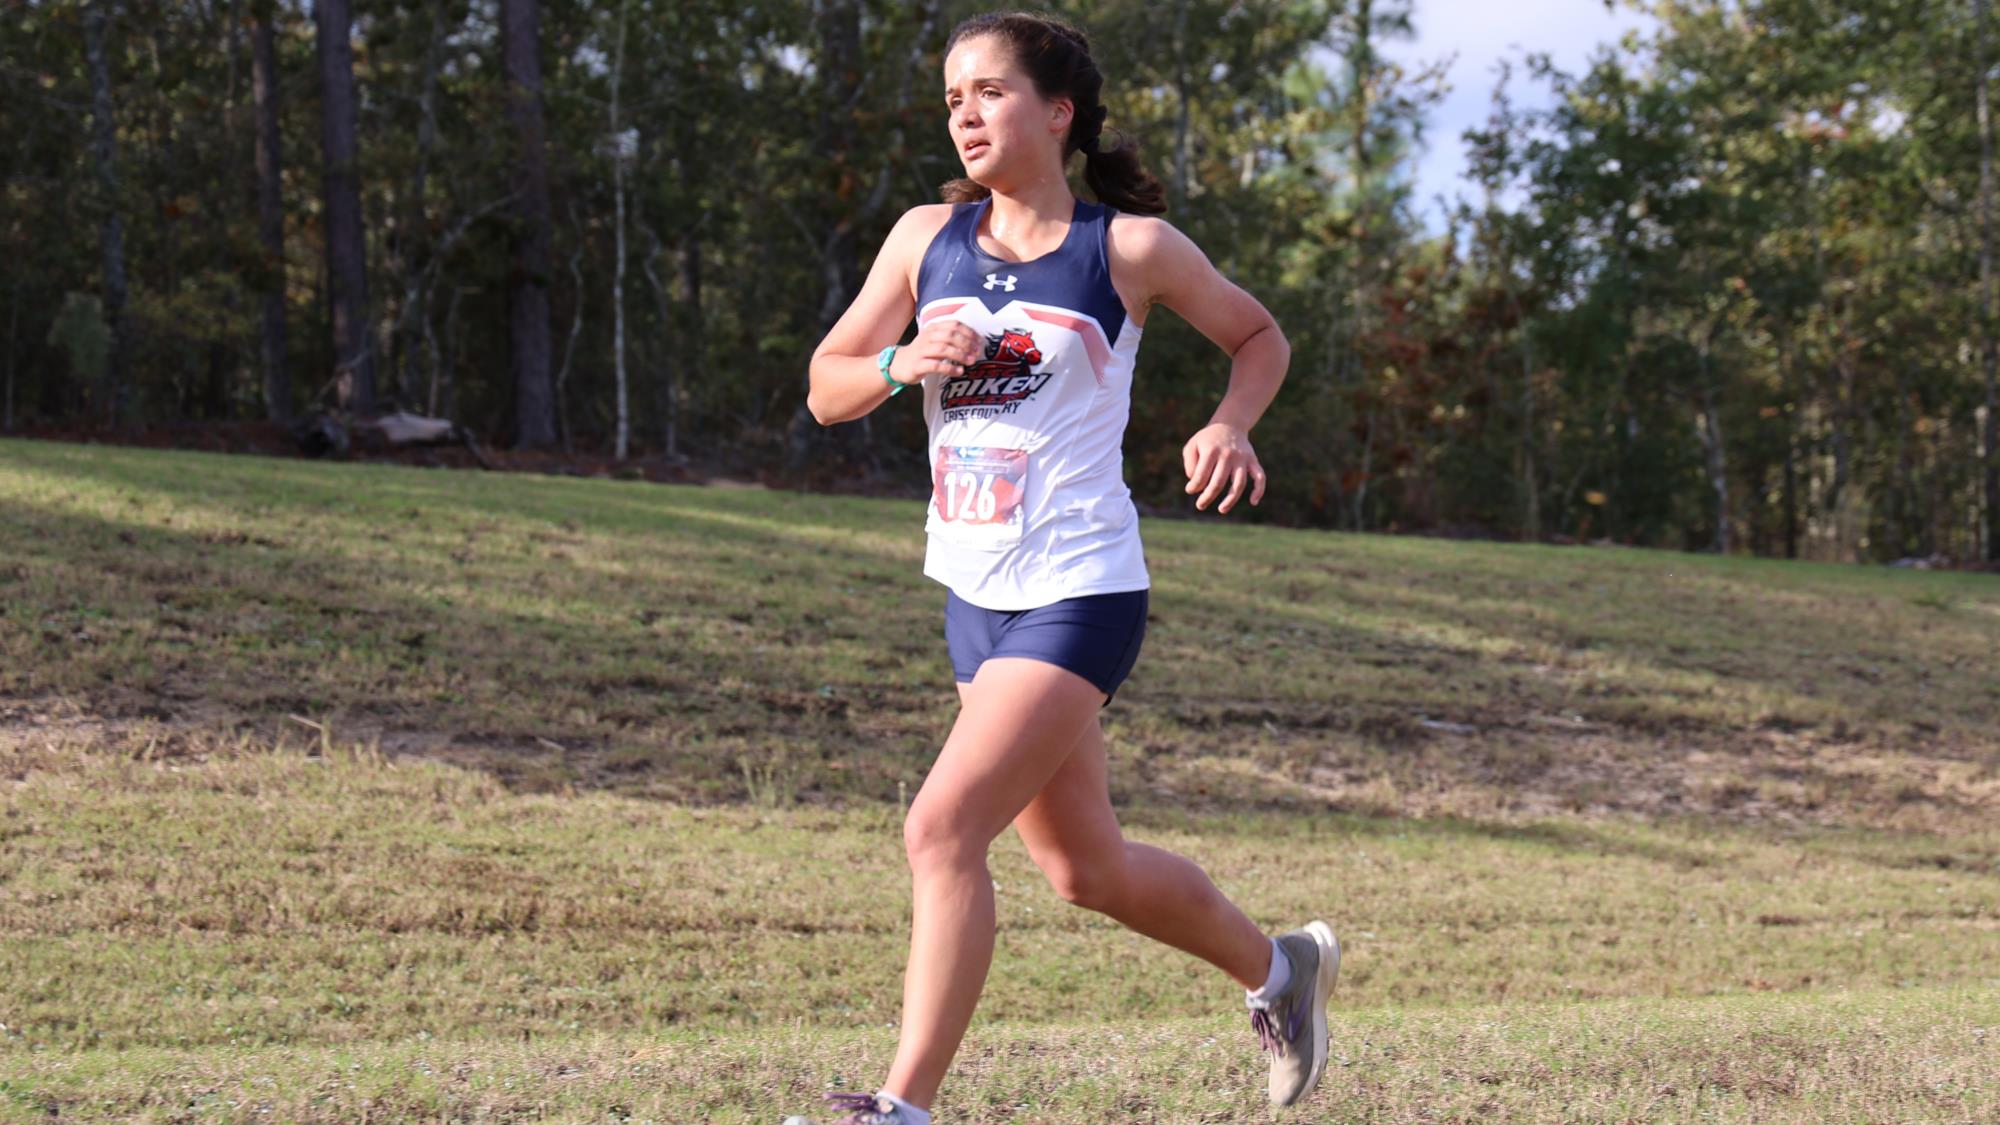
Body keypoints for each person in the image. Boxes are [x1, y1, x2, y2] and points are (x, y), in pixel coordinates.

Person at [790, 11, 1337, 1124]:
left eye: (988, 92)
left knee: (939, 830)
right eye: (952, 100)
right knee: (1084, 872)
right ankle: (1281, 972)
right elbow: (825, 384)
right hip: (973, 597)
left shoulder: (1125, 249)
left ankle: (901, 1108)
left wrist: (1231, 425)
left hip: (1080, 589)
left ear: (1055, 111)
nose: (965, 115)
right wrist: (897, 363)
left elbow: (1257, 335)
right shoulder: (920, 241)